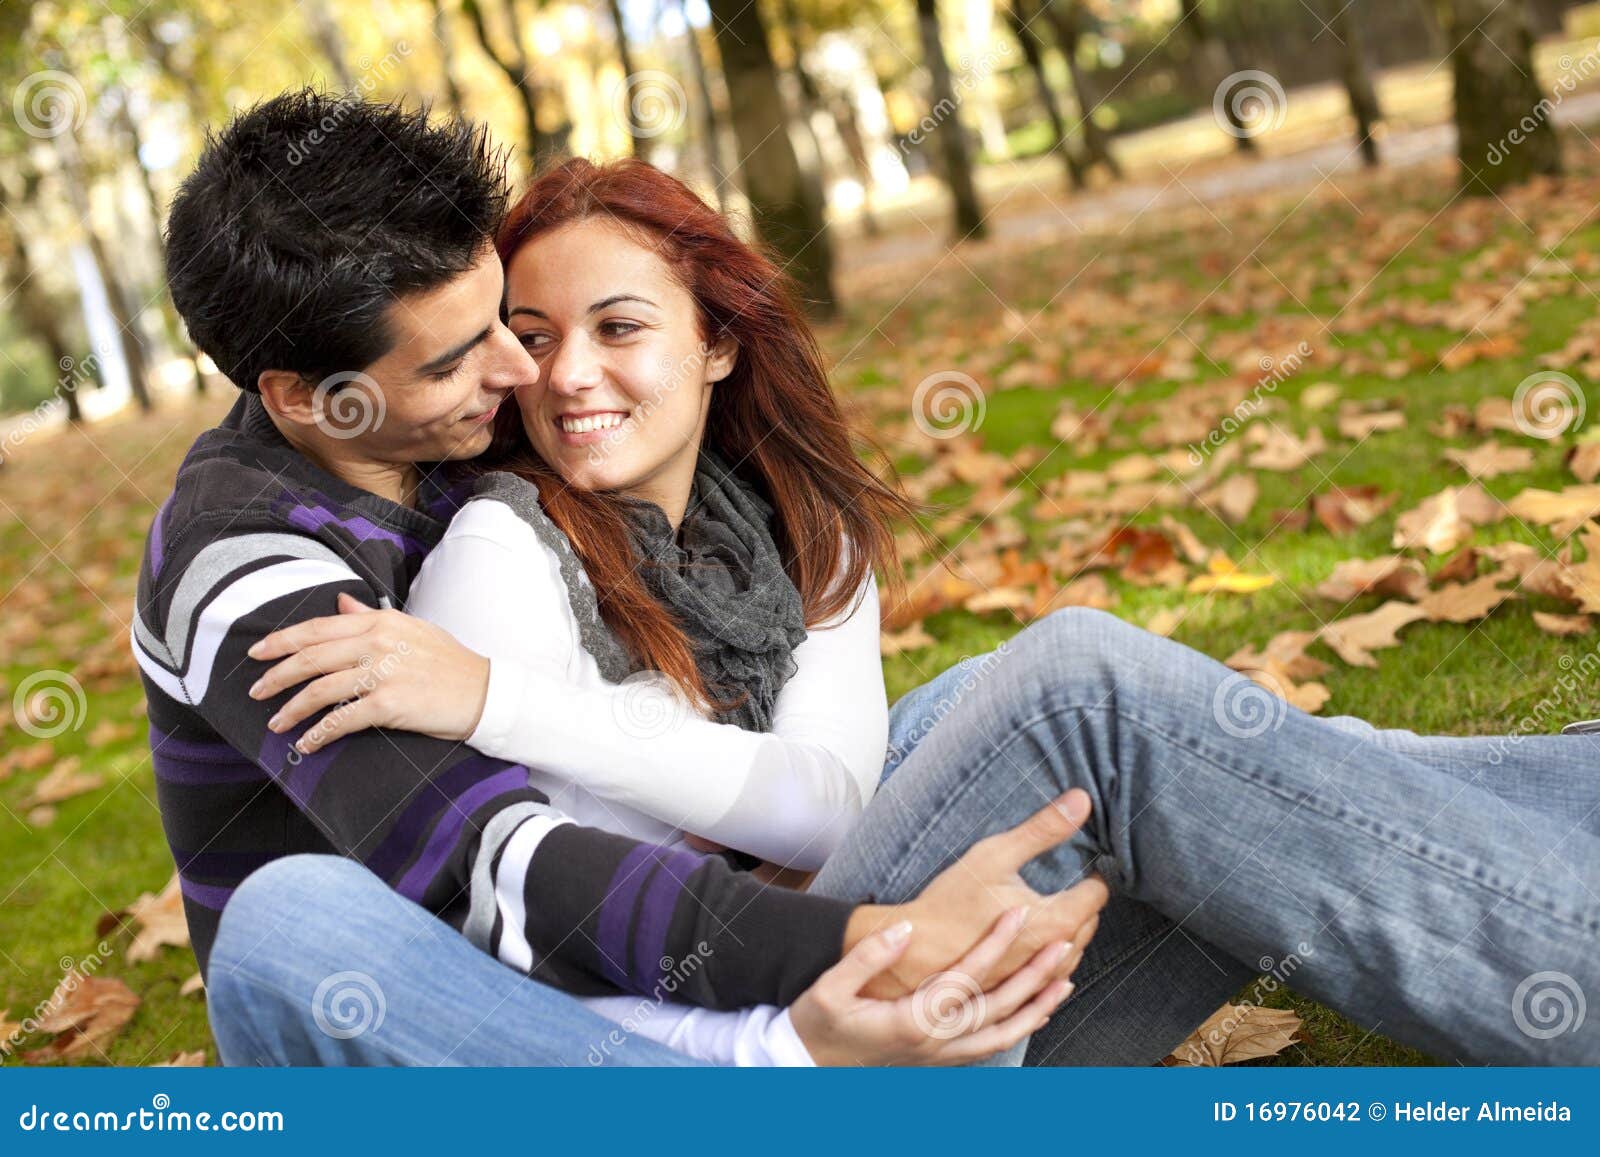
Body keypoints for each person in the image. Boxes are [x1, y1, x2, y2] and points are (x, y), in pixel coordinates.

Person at [236, 151, 1600, 1066]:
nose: (568, 374)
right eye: (532, 337)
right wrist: (508, 703)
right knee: (1077, 698)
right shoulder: (498, 550)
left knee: (1249, 762)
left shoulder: (794, 526)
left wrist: (538, 720)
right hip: (737, 1041)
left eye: (619, 327)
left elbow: (829, 801)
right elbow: (566, 947)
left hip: (895, 994)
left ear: (718, 339)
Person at [137, 90, 1102, 1068]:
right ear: (308, 400)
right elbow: (488, 867)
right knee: (292, 917)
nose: (525, 371)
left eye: (499, 316)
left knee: (1015, 701)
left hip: (630, 979)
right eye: (461, 354)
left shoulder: (454, 430)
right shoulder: (246, 574)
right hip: (428, 1024)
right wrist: (852, 954)